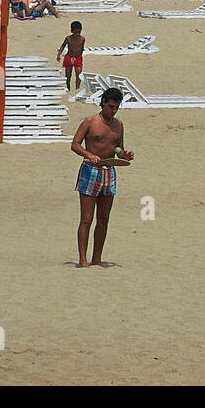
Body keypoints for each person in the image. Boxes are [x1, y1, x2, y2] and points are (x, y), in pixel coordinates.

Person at [71, 86, 134, 268]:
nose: (113, 110)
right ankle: (83, 260)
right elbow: (75, 144)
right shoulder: (90, 121)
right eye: (111, 106)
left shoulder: (119, 125)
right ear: (103, 103)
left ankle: (97, 259)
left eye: (116, 107)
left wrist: (124, 155)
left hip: (109, 171)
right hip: (90, 170)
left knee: (104, 218)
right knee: (86, 218)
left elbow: (118, 148)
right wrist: (88, 154)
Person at [57, 20, 86, 90]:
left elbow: (82, 48)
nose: (77, 34)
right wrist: (58, 54)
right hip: (69, 57)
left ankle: (77, 88)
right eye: (75, 32)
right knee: (68, 75)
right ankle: (68, 87)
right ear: (72, 31)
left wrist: (80, 55)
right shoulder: (68, 38)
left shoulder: (82, 38)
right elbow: (63, 46)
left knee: (79, 74)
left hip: (78, 57)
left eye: (78, 32)